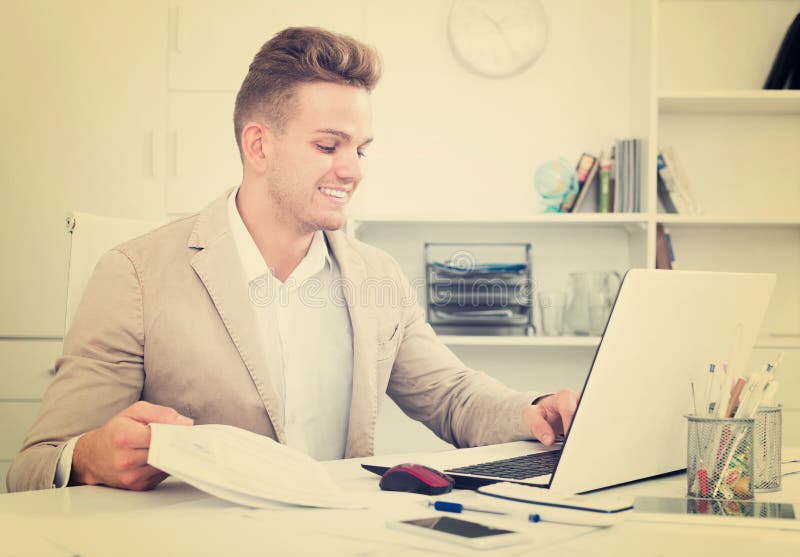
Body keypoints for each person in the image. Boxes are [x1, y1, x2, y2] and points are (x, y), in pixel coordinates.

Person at [7, 27, 579, 493]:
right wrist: (89, 458)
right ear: (258, 146)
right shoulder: (133, 275)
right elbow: (31, 467)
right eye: (328, 146)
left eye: (361, 149)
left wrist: (536, 411)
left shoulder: (377, 278)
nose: (352, 170)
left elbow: (452, 396)